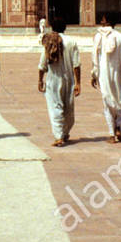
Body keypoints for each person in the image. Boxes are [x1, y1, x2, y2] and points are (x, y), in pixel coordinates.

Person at [38, 17, 80, 147]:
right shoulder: (72, 42)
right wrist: (78, 82)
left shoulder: (49, 41)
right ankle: (65, 132)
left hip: (53, 79)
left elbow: (42, 64)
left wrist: (40, 80)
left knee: (55, 107)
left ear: (52, 27)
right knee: (68, 107)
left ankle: (59, 136)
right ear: (65, 27)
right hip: (69, 79)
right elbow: (76, 64)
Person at [91, 13, 121, 143]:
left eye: (102, 20)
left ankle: (111, 133)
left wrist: (94, 74)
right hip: (118, 74)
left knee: (107, 101)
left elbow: (95, 58)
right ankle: (118, 127)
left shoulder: (98, 37)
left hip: (104, 74)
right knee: (118, 99)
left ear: (105, 22)